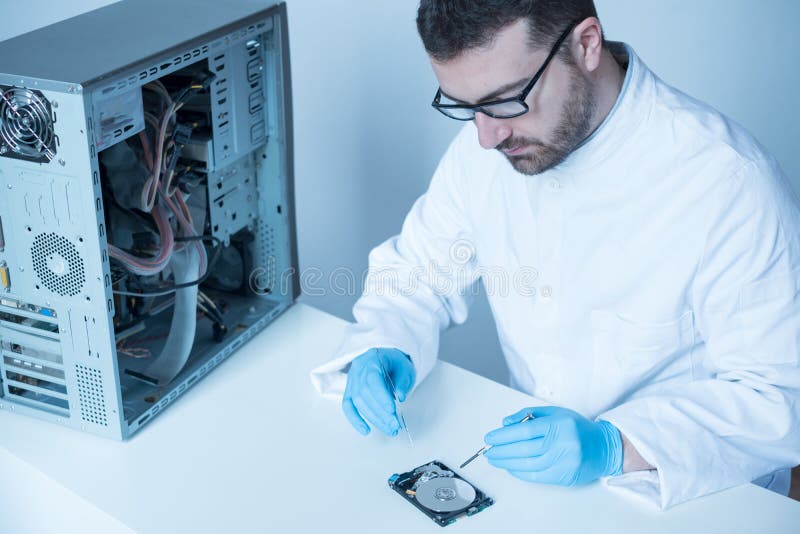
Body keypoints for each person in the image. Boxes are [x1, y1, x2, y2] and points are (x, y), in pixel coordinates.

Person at [311, 0, 800, 508]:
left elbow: (781, 399)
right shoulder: (491, 146)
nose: (485, 136)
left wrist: (614, 445)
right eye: (465, 105)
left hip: (694, 493)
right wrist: (387, 342)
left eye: (505, 101)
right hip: (536, 490)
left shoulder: (727, 180)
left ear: (586, 44)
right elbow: (419, 274)